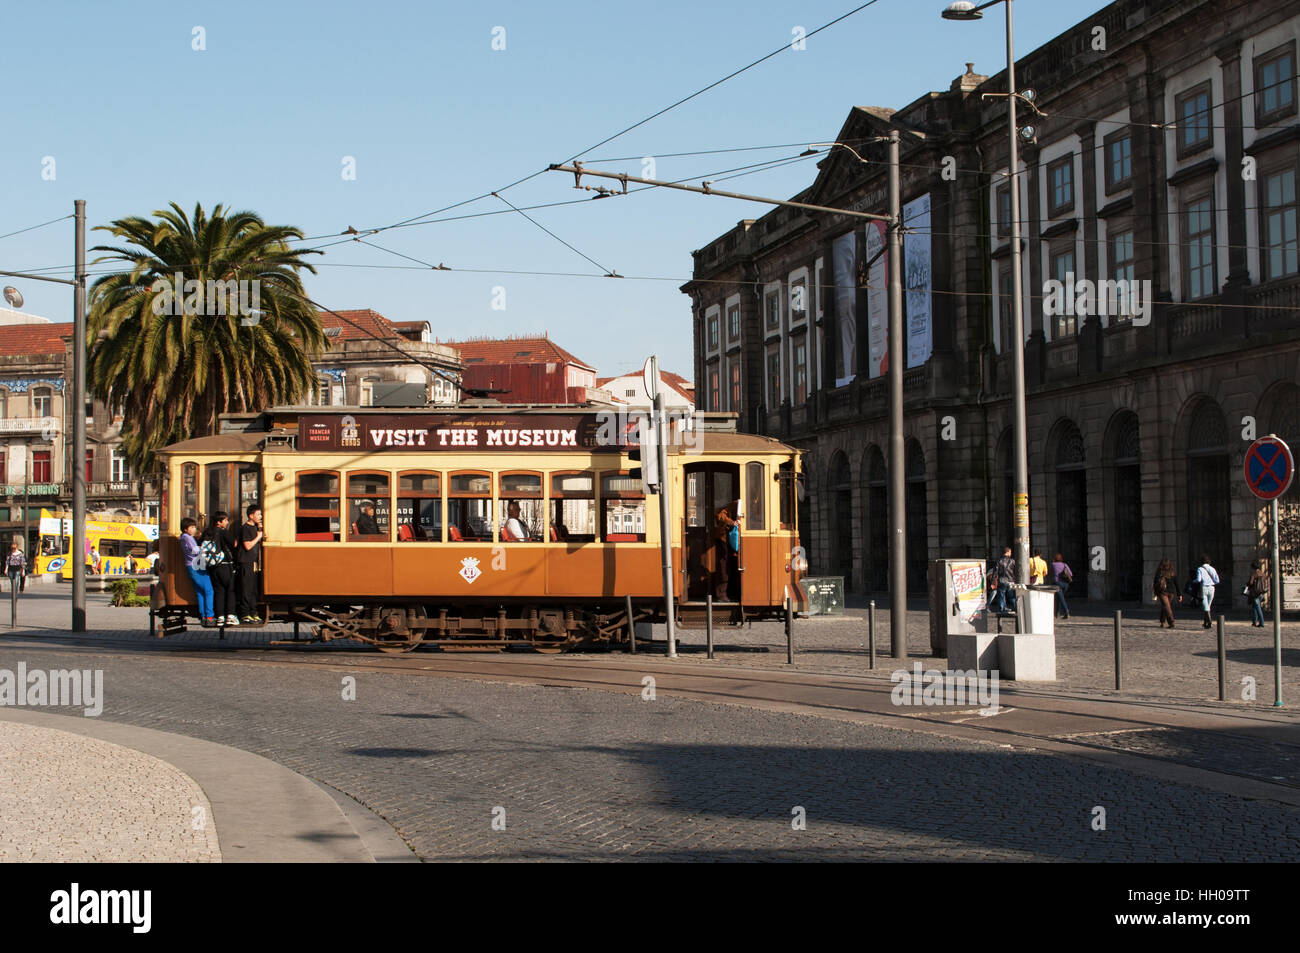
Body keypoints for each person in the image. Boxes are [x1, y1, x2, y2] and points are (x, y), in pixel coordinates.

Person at [204, 512, 238, 627]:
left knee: (218, 591)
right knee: (230, 590)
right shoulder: (223, 532)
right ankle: (230, 616)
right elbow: (234, 544)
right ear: (219, 522)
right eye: (225, 520)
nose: (227, 522)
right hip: (225, 565)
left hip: (212, 566)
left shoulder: (207, 532)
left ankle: (219, 617)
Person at [180, 517, 216, 626]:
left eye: (194, 527)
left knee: (200, 592)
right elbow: (194, 550)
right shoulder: (187, 537)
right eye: (191, 527)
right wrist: (207, 548)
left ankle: (203, 616)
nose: (194, 529)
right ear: (186, 529)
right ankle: (209, 616)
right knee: (209, 591)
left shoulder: (184, 537)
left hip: (191, 566)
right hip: (196, 566)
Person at [235, 505, 264, 624]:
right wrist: (258, 537)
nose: (260, 517)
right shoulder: (245, 528)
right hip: (246, 561)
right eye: (258, 514)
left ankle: (253, 612)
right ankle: (245, 614)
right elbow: (247, 546)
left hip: (253, 561)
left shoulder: (254, 527)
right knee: (247, 589)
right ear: (251, 516)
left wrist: (260, 529)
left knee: (253, 589)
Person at [715, 507, 739, 601]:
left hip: (730, 543)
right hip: (724, 541)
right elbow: (719, 515)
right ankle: (721, 594)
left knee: (729, 568)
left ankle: (728, 593)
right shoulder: (731, 506)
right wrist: (732, 522)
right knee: (724, 568)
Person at [1195, 553, 1220, 629]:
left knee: (1205, 606)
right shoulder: (1212, 569)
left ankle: (1209, 622)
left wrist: (1194, 581)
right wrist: (1212, 583)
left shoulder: (1200, 569)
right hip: (1212, 588)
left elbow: (1198, 580)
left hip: (1204, 587)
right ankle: (1205, 623)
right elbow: (1217, 580)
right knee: (1208, 606)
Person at [1153, 558, 1178, 629]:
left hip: (1169, 593)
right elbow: (1176, 584)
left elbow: (1176, 583)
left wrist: (1179, 594)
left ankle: (1162, 621)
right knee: (1167, 607)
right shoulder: (1165, 572)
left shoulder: (1167, 572)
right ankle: (1171, 622)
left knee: (1165, 607)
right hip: (1164, 592)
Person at [992, 546, 1017, 615]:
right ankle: (1016, 607)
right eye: (1010, 552)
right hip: (1011, 581)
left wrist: (993, 582)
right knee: (1011, 596)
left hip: (1002, 580)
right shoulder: (1012, 561)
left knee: (1001, 595)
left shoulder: (999, 561)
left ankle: (1002, 609)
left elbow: (995, 572)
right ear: (1008, 552)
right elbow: (1015, 571)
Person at [1049, 552, 1073, 619]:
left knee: (1061, 598)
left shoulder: (1053, 564)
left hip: (1057, 583)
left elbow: (1050, 573)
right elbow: (1070, 574)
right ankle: (1056, 613)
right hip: (1065, 584)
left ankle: (1066, 612)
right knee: (1059, 597)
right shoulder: (1064, 565)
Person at [1247, 559, 1268, 627]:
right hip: (1261, 593)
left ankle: (1261, 623)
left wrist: (1247, 585)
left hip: (1255, 593)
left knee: (1258, 608)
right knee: (1254, 607)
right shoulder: (1263, 574)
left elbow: (1250, 583)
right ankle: (1254, 621)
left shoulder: (1254, 574)